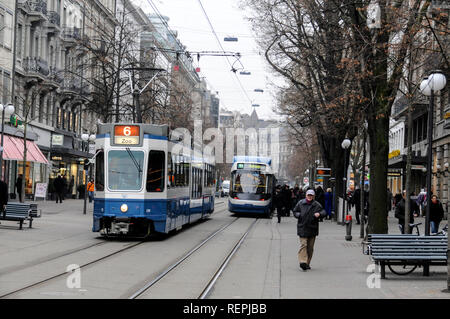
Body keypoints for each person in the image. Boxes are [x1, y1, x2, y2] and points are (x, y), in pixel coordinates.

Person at [293, 189, 327, 271]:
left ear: (314, 196)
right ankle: (302, 262)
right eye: (308, 195)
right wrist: (299, 215)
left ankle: (307, 263)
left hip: (312, 228)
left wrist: (319, 214)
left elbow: (324, 212)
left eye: (311, 195)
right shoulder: (300, 203)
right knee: (303, 245)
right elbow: (295, 211)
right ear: (306, 195)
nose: (309, 197)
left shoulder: (317, 204)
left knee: (310, 248)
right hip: (302, 227)